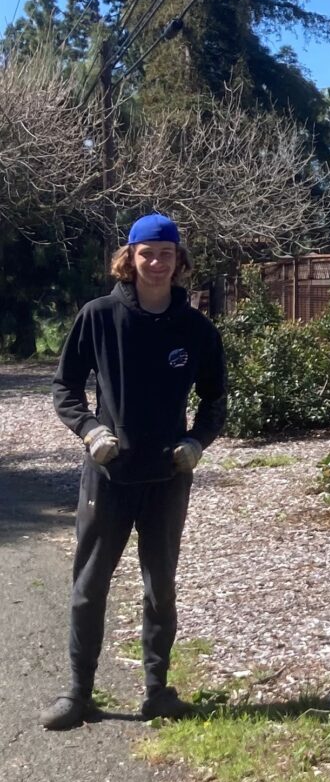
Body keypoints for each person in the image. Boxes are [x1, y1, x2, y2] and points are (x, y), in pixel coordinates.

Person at [42, 213, 227, 731]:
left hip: (168, 478)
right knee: (89, 584)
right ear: (130, 257)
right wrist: (90, 430)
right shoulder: (99, 317)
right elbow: (65, 387)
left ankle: (157, 691)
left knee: (159, 585)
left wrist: (196, 441)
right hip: (109, 475)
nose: (157, 262)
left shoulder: (195, 328)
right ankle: (78, 693)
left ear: (178, 260)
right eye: (147, 253)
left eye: (166, 253)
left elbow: (216, 399)